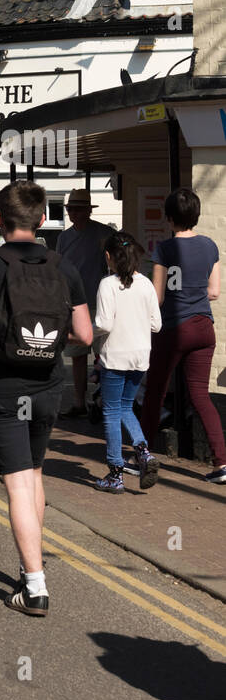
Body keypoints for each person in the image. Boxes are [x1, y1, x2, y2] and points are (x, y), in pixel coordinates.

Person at [0, 180, 92, 618]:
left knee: (16, 484)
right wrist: (48, 337)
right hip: (49, 387)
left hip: (4, 389)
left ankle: (34, 586)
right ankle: (33, 560)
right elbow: (84, 335)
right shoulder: (64, 266)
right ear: (43, 219)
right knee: (34, 474)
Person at [139, 187, 226, 484]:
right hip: (204, 327)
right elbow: (214, 291)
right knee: (201, 395)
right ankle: (222, 463)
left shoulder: (163, 249)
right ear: (197, 216)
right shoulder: (211, 245)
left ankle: (143, 455)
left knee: (155, 393)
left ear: (169, 218)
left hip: (175, 328)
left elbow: (158, 298)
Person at [92, 231, 162, 492]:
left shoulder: (107, 284)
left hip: (115, 356)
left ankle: (115, 474)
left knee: (110, 411)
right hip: (140, 357)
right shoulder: (145, 284)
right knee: (125, 407)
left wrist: (86, 330)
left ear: (109, 257)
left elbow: (104, 323)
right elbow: (157, 324)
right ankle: (143, 452)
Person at [55, 188, 113, 417]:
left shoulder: (104, 234)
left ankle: (104, 403)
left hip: (101, 304)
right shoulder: (63, 238)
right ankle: (79, 403)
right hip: (74, 306)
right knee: (77, 357)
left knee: (106, 357)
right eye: (70, 209)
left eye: (77, 209)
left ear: (88, 210)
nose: (72, 213)